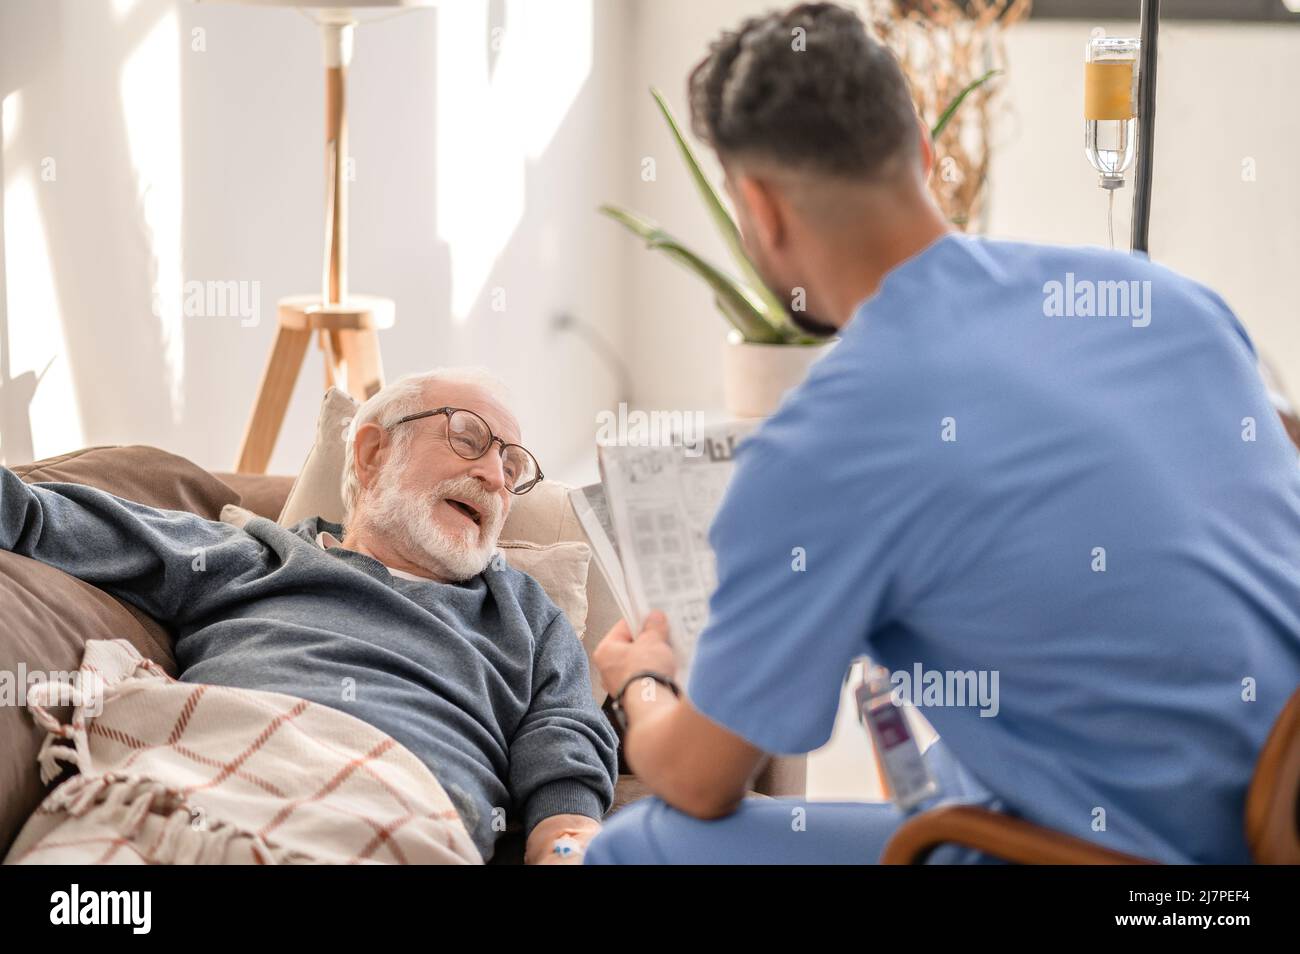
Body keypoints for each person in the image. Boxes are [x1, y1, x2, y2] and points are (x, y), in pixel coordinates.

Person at [586, 2, 1300, 864]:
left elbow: (704, 779)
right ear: (925, 152)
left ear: (761, 209)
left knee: (641, 845)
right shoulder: (1168, 301)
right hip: (1277, 816)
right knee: (941, 757)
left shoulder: (824, 441)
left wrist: (646, 686)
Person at [0, 367, 617, 864]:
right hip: (185, 794)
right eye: (471, 440)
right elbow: (43, 519)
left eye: (512, 468)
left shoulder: (525, 615)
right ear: (374, 452)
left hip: (393, 817)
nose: (493, 476)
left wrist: (566, 848)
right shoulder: (252, 554)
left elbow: (565, 756)